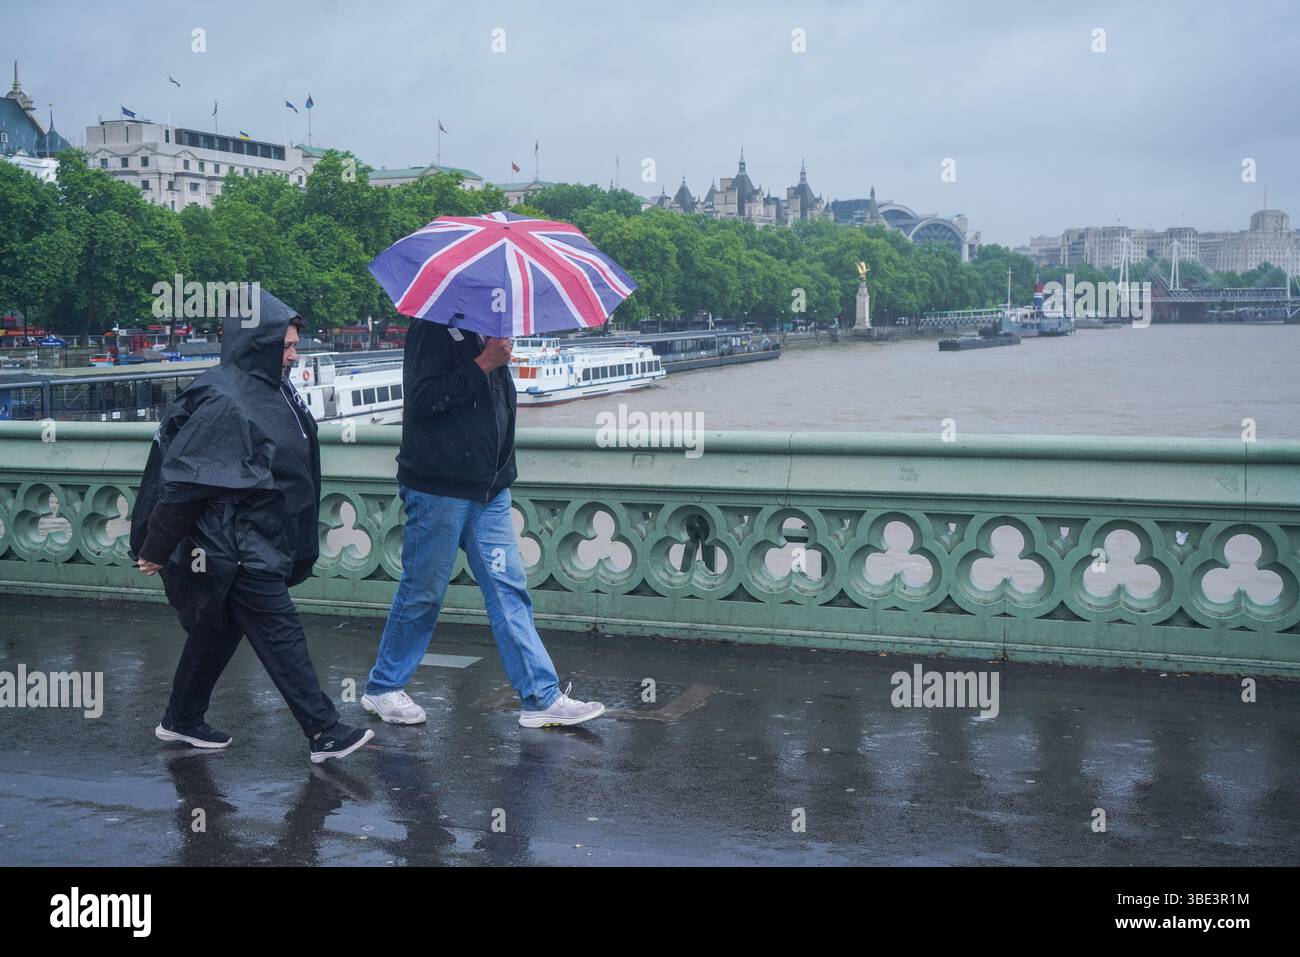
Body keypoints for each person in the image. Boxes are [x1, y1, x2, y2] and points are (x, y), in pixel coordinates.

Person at [130, 290, 373, 764]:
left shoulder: (269, 386)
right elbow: (183, 485)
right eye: (285, 345)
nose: (294, 353)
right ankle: (324, 731)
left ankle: (181, 718)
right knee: (280, 634)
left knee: (217, 630)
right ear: (257, 343)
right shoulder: (226, 399)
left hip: (253, 535)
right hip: (234, 545)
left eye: (294, 343)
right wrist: (156, 548)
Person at [361, 317, 604, 728]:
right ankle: (383, 688)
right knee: (424, 591)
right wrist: (483, 364)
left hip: (488, 490)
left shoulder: (488, 333)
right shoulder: (432, 328)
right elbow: (421, 400)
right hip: (438, 488)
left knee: (509, 591)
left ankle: (539, 696)